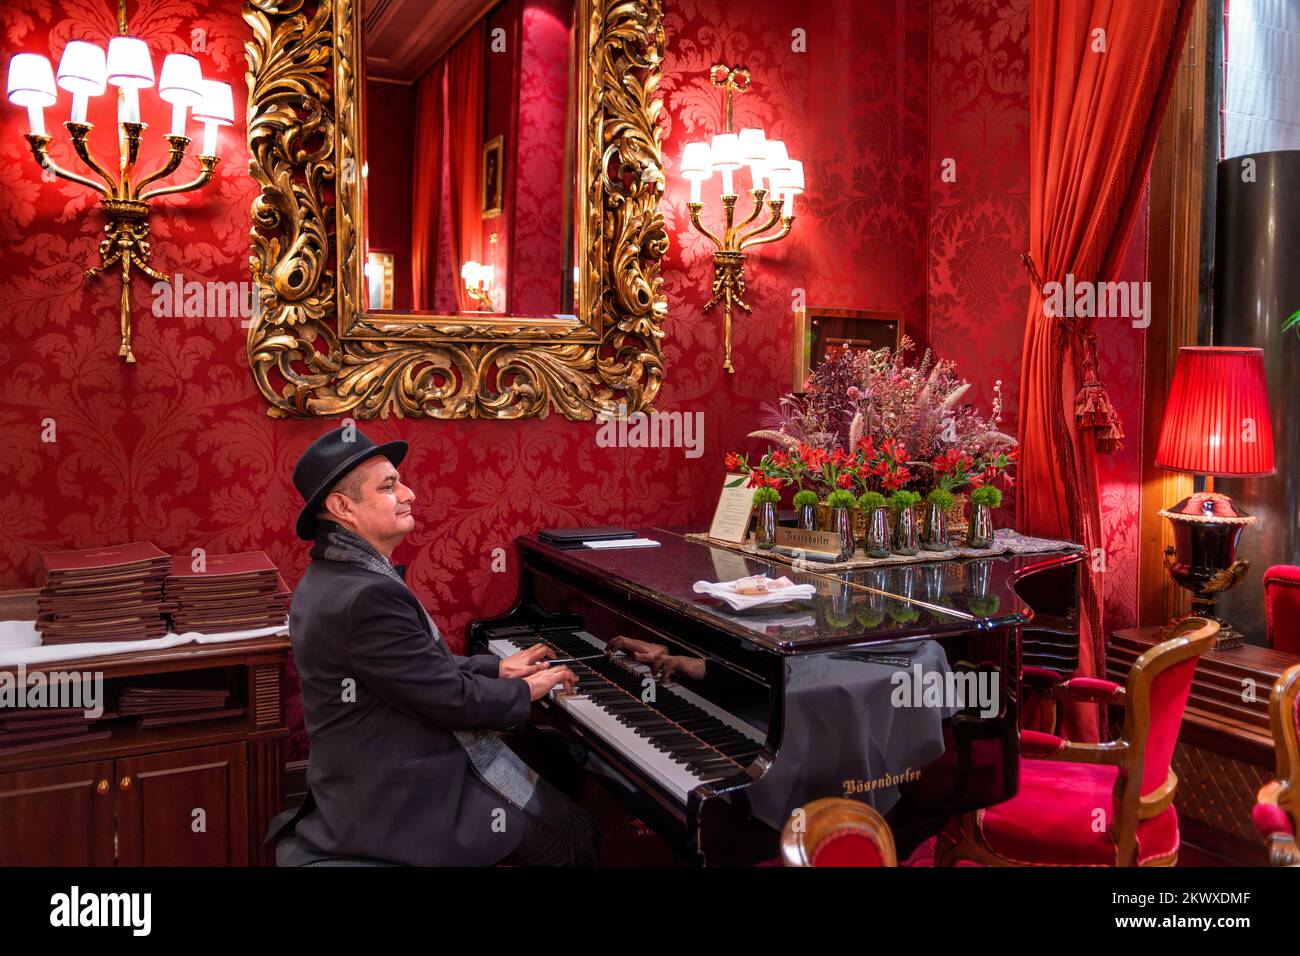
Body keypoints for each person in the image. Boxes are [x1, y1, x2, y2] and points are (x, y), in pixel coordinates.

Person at [267, 425, 599, 866]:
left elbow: (410, 669)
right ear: (342, 507)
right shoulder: (366, 594)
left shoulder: (332, 576)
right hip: (396, 801)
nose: (409, 494)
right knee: (573, 832)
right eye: (389, 486)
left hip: (364, 778)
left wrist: (495, 670)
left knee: (553, 776)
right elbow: (446, 697)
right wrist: (529, 691)